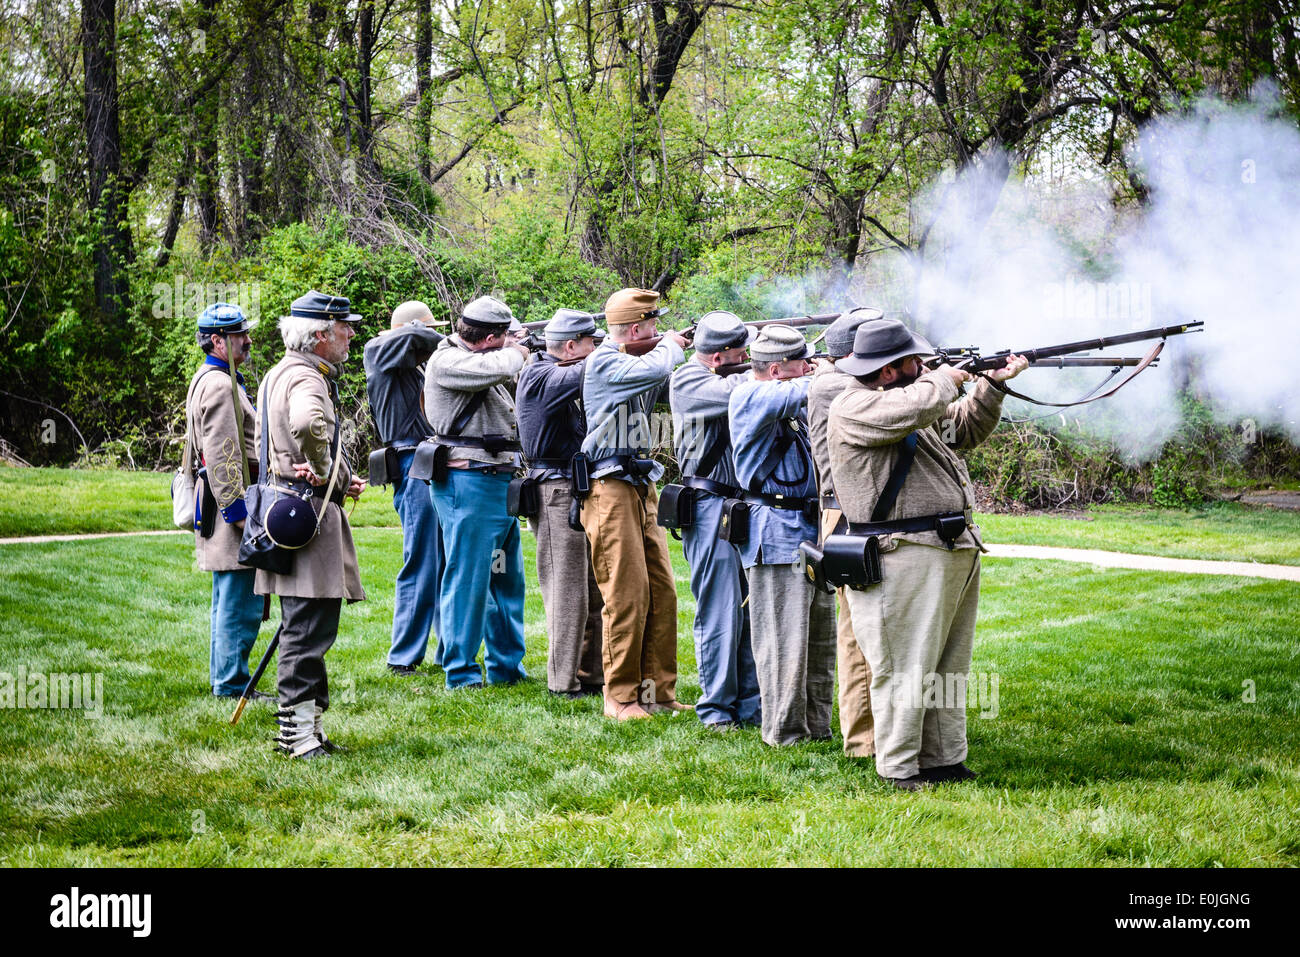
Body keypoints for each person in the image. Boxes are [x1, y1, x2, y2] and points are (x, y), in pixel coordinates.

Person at [827, 317, 1026, 789]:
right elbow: (916, 404)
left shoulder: (916, 401)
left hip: (947, 544)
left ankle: (944, 758)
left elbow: (963, 432)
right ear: (892, 370)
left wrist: (990, 387)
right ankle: (899, 768)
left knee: (948, 665)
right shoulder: (854, 405)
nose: (925, 365)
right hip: (901, 550)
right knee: (905, 668)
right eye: (914, 360)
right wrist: (950, 376)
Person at [256, 290, 367, 759]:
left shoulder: (280, 371)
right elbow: (305, 424)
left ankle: (309, 730)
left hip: (291, 510)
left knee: (309, 626)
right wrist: (324, 469)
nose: (351, 334)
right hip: (308, 517)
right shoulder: (306, 376)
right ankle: (296, 739)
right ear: (320, 334)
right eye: (344, 327)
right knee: (306, 631)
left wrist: (337, 474)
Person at [580, 288, 689, 720]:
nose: (659, 331)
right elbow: (660, 362)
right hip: (609, 487)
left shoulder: (636, 358)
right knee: (625, 595)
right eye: (652, 325)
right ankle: (620, 697)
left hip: (641, 484)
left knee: (661, 590)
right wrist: (670, 346)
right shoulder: (605, 360)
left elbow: (659, 373)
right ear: (636, 328)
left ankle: (657, 692)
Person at [728, 324, 835, 747]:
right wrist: (837, 370)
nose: (810, 367)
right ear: (776, 370)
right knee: (783, 642)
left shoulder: (791, 393)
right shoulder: (749, 394)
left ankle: (816, 726)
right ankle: (784, 733)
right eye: (802, 363)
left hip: (811, 526)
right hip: (774, 529)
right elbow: (809, 391)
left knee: (819, 638)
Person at [423, 295, 530, 690]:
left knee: (505, 578)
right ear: (489, 338)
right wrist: (516, 348)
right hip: (469, 484)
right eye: (501, 336)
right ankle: (461, 672)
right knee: (468, 580)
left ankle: (506, 666)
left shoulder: (486, 359)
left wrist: (521, 348)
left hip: (498, 483)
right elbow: (503, 363)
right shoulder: (449, 361)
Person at [668, 310, 760, 732]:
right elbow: (738, 396)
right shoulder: (687, 379)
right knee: (720, 611)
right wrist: (770, 368)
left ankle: (750, 705)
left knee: (749, 610)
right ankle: (716, 709)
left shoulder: (728, 374)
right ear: (721, 356)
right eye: (743, 355)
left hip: (741, 506)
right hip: (708, 507)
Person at [516, 308, 606, 699]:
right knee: (566, 591)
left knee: (591, 589)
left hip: (573, 487)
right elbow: (588, 373)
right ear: (571, 346)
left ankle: (589, 674)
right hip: (554, 490)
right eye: (591, 343)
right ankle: (561, 681)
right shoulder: (541, 374)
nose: (596, 350)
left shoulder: (555, 370)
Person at [806, 307, 881, 759]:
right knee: (856, 636)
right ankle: (862, 739)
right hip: (844, 515)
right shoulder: (832, 384)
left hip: (859, 513)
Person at [186, 302, 267, 701]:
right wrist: (241, 516)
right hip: (230, 507)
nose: (248, 340)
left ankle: (228, 679)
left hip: (221, 504)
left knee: (230, 600)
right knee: (240, 603)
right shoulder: (219, 384)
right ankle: (232, 684)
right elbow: (222, 456)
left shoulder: (214, 376)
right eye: (239, 335)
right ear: (217, 341)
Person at [362, 299, 448, 677]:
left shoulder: (407, 364)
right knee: (422, 561)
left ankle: (448, 650)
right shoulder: (379, 352)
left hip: (428, 462)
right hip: (413, 465)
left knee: (445, 561)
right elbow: (416, 338)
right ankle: (403, 655)